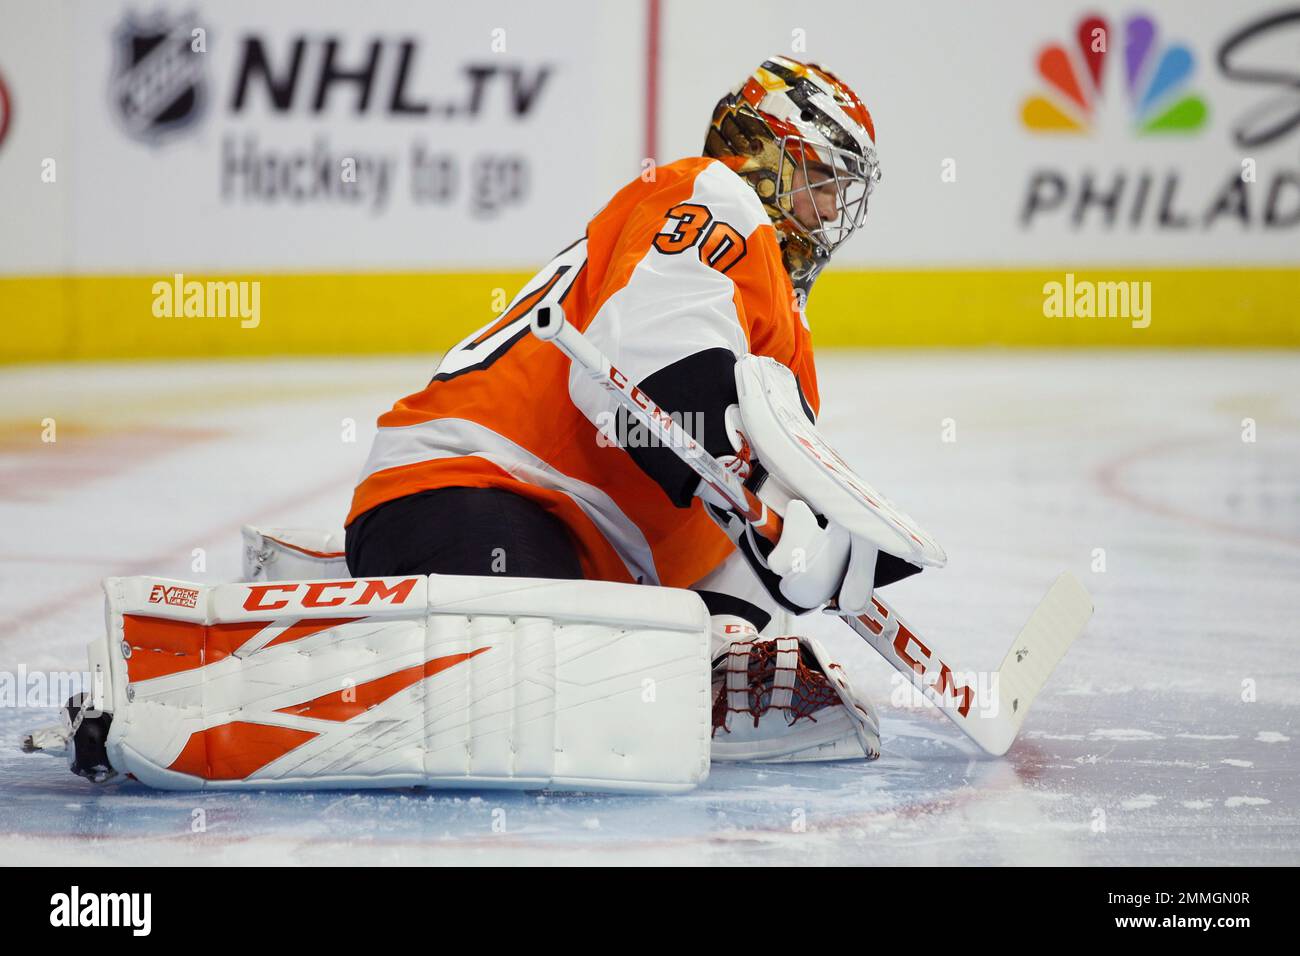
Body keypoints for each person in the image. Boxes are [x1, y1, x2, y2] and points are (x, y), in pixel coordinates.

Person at [344, 57, 917, 760]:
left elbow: (735, 499)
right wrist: (764, 504)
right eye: (821, 180)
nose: (831, 211)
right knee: (535, 709)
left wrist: (818, 542)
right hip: (471, 490)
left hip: (576, 543)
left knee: (736, 561)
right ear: (765, 152)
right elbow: (638, 383)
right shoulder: (713, 194)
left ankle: (703, 659)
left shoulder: (784, 329)